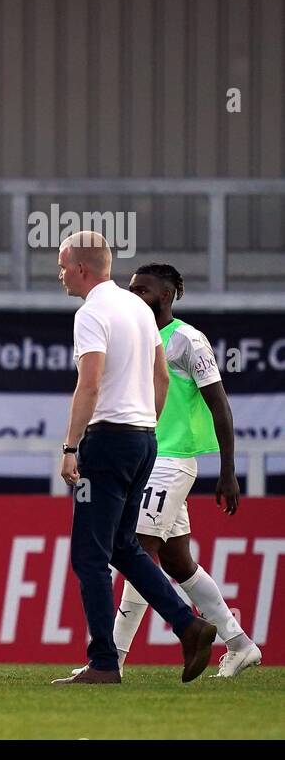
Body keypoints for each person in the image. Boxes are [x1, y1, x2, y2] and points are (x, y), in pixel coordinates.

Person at [68, 264, 260, 678]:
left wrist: (227, 470)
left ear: (168, 295)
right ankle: (240, 644)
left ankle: (112, 657)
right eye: (132, 287)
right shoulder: (137, 332)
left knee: (138, 548)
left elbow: (219, 404)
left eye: (144, 289)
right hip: (147, 458)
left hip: (171, 462)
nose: (135, 294)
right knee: (178, 562)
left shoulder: (189, 340)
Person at [52, 232, 215, 685]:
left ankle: (104, 661)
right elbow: (160, 375)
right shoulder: (137, 310)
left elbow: (89, 384)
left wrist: (70, 447)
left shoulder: (91, 313)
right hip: (144, 440)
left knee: (90, 556)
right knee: (123, 546)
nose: (60, 273)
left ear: (83, 269)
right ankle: (189, 624)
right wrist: (148, 421)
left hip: (106, 442)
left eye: (63, 265)